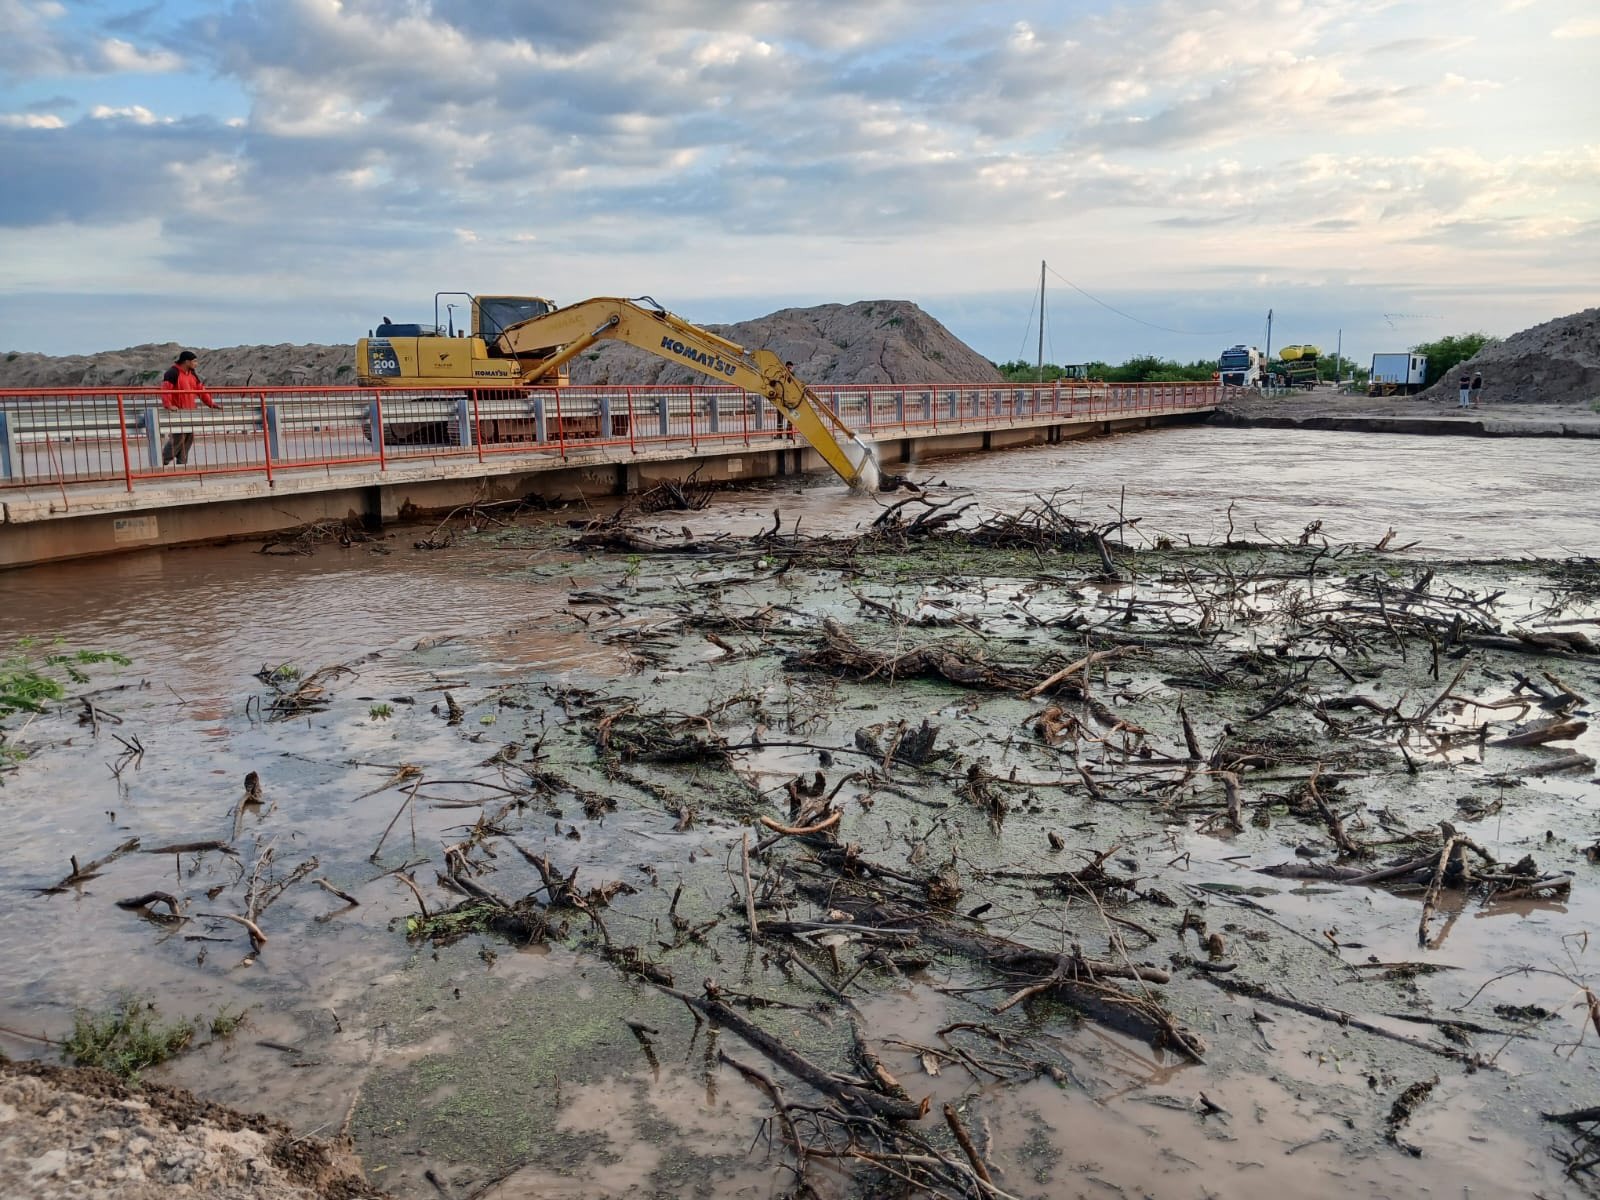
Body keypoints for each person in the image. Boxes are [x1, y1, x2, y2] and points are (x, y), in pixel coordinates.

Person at [160, 350, 220, 465]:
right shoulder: (172, 373)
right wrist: (168, 405)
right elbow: (165, 391)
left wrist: (211, 404)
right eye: (194, 361)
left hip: (190, 411)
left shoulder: (192, 374)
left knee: (188, 438)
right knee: (178, 438)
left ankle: (182, 463)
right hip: (178, 412)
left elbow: (201, 391)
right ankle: (163, 460)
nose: (196, 364)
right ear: (187, 361)